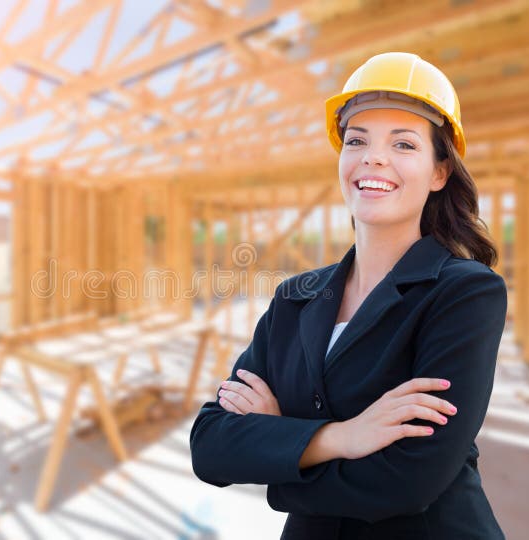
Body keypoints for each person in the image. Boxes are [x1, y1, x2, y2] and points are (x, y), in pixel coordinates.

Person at [188, 52, 507, 539]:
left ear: (439, 173)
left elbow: (408, 481)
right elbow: (210, 445)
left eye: (403, 143)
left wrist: (280, 447)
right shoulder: (295, 298)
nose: (373, 157)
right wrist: (342, 437)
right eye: (357, 140)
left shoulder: (463, 293)